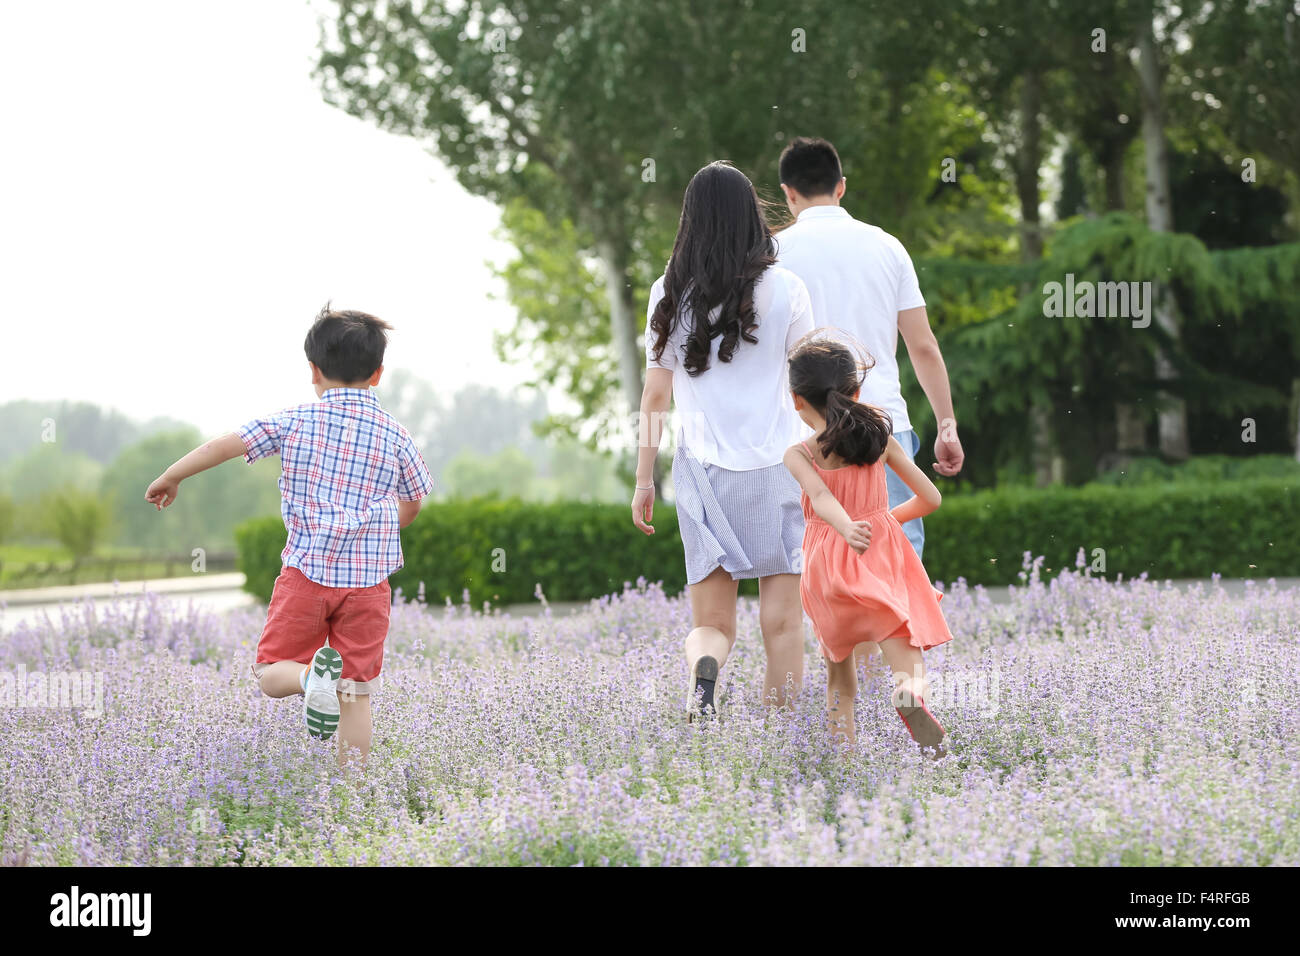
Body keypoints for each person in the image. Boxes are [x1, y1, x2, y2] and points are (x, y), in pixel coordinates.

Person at [144, 305, 433, 766]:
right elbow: (414, 501)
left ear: (314, 371)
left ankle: (306, 680)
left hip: (306, 575)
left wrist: (172, 475)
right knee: (356, 693)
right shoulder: (396, 436)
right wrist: (377, 525)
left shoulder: (295, 421)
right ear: (378, 374)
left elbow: (225, 445)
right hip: (368, 587)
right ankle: (354, 796)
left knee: (268, 672)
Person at [632, 161, 813, 720]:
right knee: (782, 623)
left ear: (692, 221)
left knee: (711, 624)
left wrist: (644, 479)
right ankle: (783, 740)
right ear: (751, 215)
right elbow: (811, 386)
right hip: (781, 465)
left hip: (702, 471)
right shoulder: (786, 288)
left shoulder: (670, 292)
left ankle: (703, 671)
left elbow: (655, 399)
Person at [773, 136, 964, 561]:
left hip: (803, 430)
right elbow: (923, 346)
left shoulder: (773, 254)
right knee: (898, 553)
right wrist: (946, 425)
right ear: (841, 186)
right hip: (882, 424)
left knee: (817, 553)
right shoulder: (887, 246)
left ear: (788, 193)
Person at [783, 335, 952, 757]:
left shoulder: (799, 453)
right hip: (881, 555)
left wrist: (845, 527)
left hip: (826, 564)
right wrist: (883, 522)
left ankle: (846, 760)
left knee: (840, 674)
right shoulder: (880, 439)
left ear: (796, 400)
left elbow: (821, 500)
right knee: (907, 659)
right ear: (856, 391)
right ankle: (909, 693)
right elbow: (931, 498)